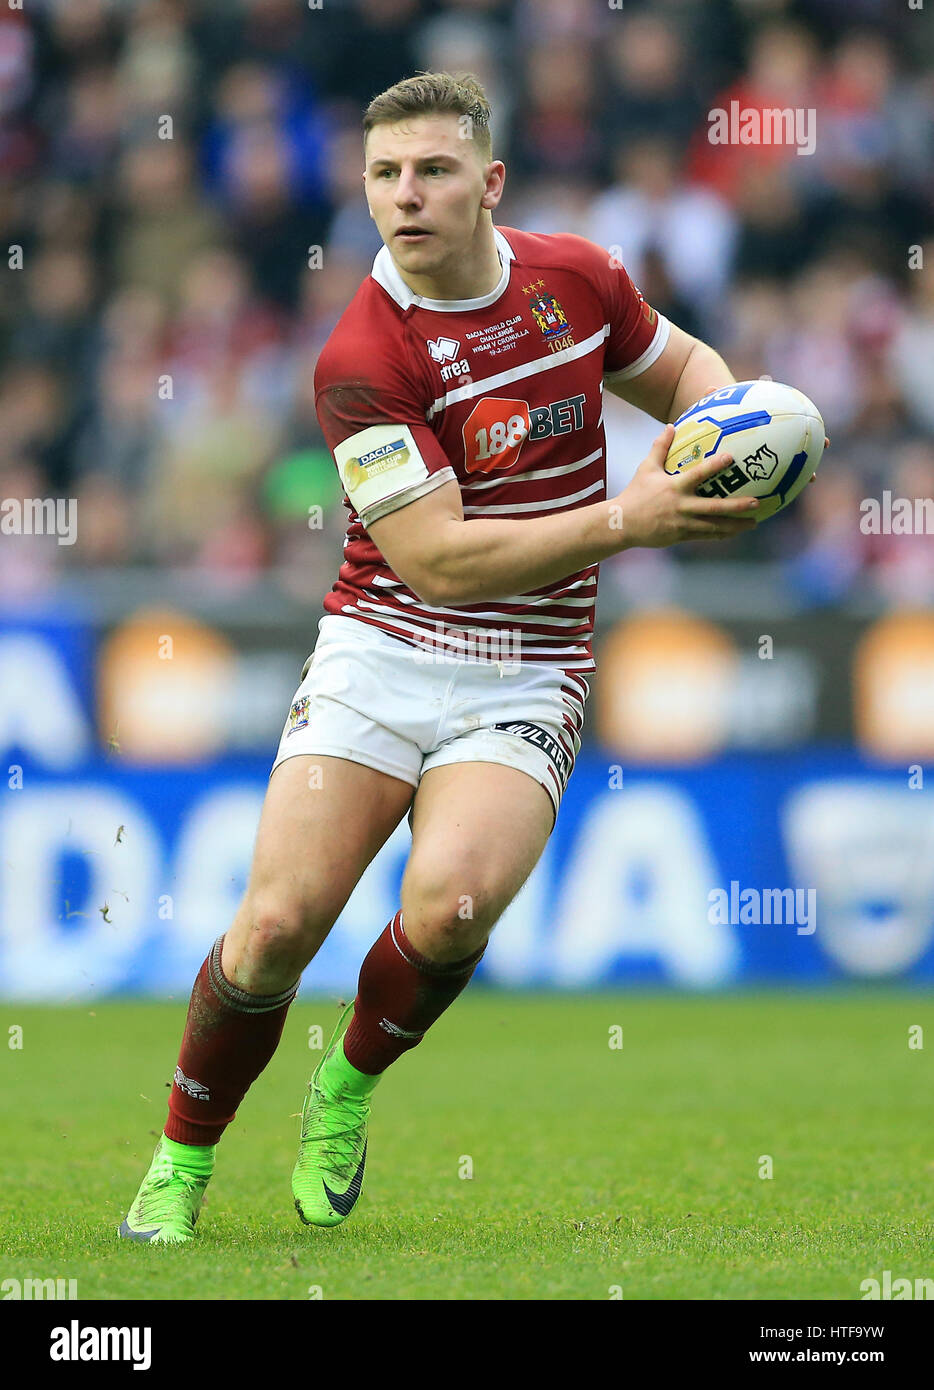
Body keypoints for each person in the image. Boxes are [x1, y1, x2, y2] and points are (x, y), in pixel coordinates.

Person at [119, 71, 767, 1243]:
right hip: (385, 644)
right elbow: (439, 564)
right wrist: (632, 517)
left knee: (454, 907)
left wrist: (723, 437)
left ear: (490, 183)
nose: (404, 196)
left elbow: (682, 373)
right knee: (272, 931)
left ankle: (345, 1088)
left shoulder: (578, 279)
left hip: (528, 669)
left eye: (431, 170)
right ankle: (180, 1158)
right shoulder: (361, 355)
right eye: (383, 175)